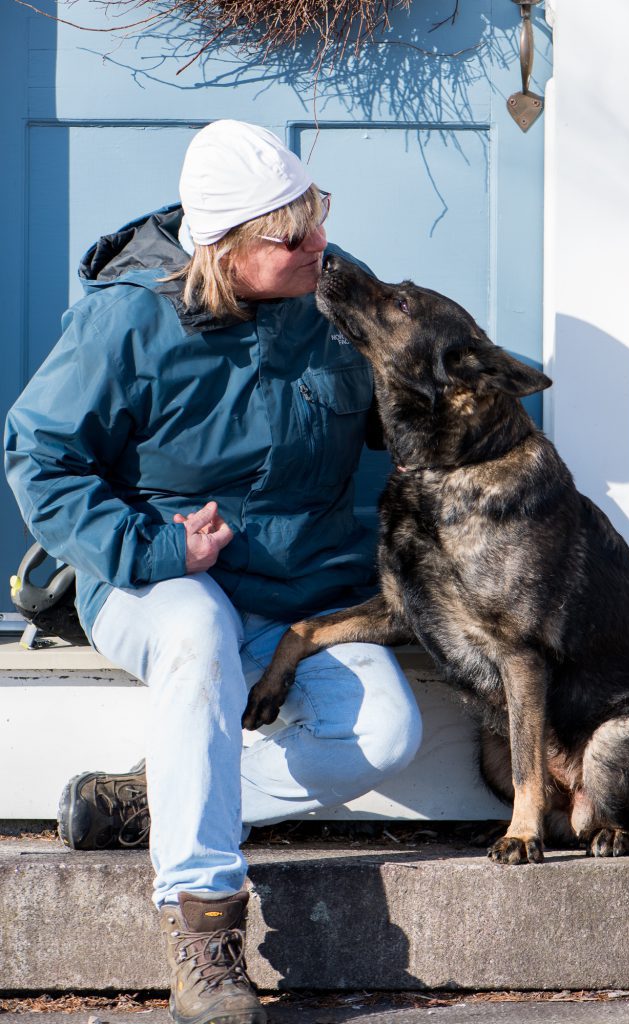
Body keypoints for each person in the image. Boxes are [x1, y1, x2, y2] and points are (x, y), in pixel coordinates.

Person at [4, 120, 422, 1024]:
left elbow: (407, 405)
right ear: (226, 250)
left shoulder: (331, 298)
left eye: (319, 216)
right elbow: (39, 458)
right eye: (292, 234)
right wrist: (157, 551)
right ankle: (202, 925)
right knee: (194, 624)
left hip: (293, 598)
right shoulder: (130, 319)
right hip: (150, 586)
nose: (320, 244)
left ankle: (159, 795)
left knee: (386, 734)